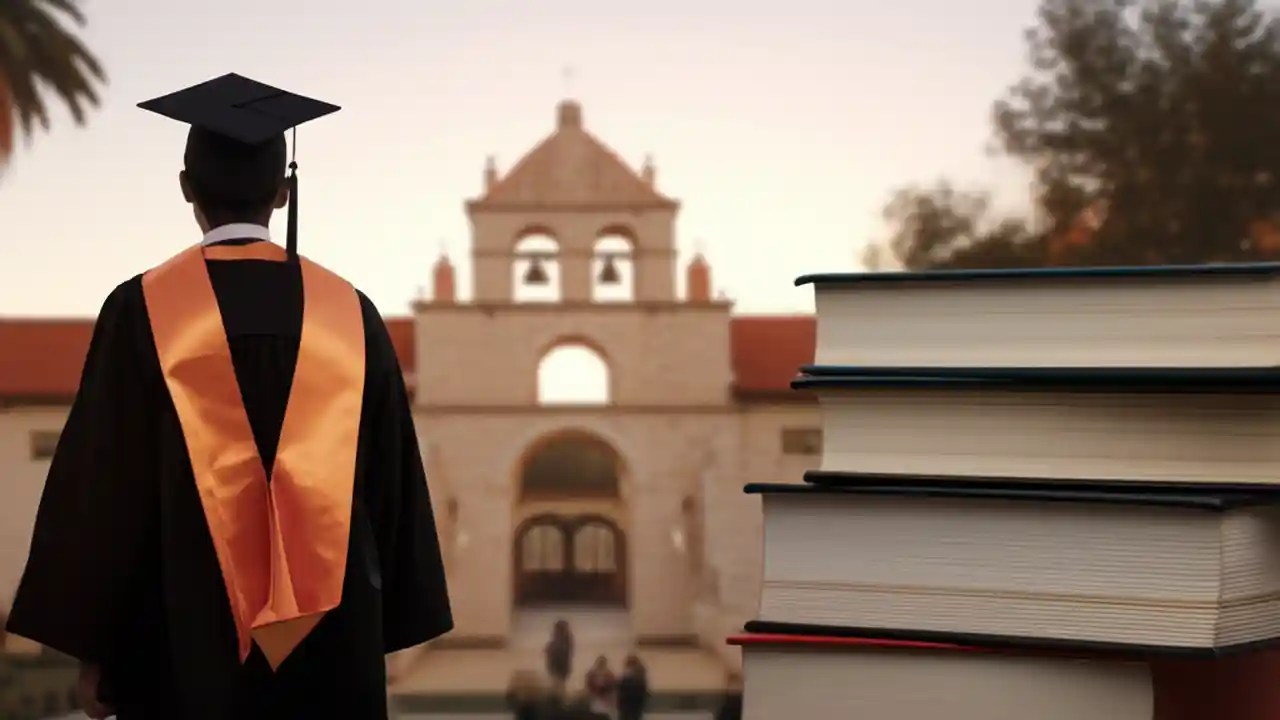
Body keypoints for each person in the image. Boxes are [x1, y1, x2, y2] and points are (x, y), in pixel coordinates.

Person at [4, 73, 453, 720]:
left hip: (174, 652)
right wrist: (370, 629)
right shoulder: (351, 316)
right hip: (327, 645)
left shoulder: (140, 311)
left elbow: (101, 490)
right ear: (284, 190)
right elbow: (392, 490)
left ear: (187, 189)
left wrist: (95, 648)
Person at [545, 619, 574, 697]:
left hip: (559, 668)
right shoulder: (565, 640)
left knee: (558, 688)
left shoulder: (564, 640)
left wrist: (550, 649)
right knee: (558, 688)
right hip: (559, 669)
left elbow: (560, 653)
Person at [616, 654, 649, 720]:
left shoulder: (630, 674)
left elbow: (622, 687)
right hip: (635, 704)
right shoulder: (641, 675)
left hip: (628, 703)